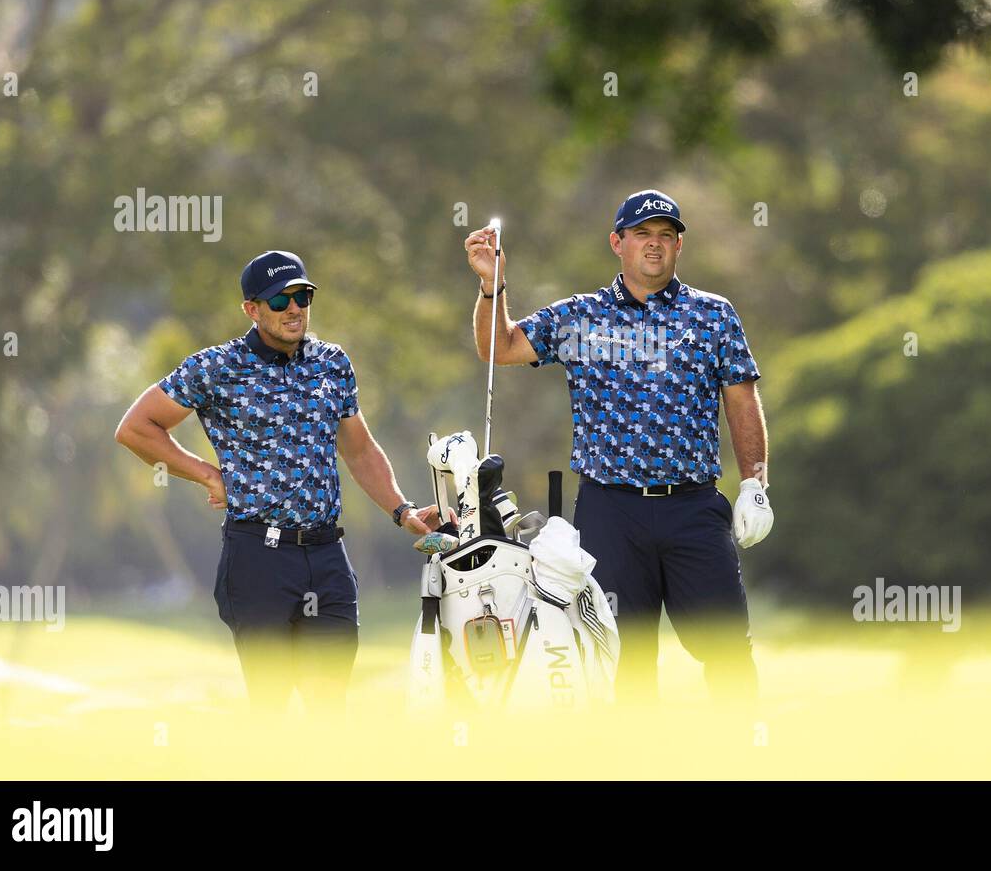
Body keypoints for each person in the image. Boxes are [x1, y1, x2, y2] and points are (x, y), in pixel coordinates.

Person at [463, 190, 774, 703]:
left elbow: (741, 399)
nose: (655, 246)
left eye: (666, 236)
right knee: (620, 654)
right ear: (618, 243)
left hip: (693, 505)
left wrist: (755, 484)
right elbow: (499, 347)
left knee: (725, 645)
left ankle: (741, 752)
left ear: (679, 246)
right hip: (611, 510)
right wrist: (491, 287)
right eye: (642, 235)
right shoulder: (582, 314)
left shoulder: (713, 315)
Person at [115, 250, 439, 714]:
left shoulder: (332, 363)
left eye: (302, 296)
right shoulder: (216, 367)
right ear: (252, 308)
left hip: (327, 559)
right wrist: (207, 474)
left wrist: (402, 511)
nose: (294, 308)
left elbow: (360, 449)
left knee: (329, 708)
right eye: (280, 299)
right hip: (257, 561)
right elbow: (136, 427)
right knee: (270, 711)